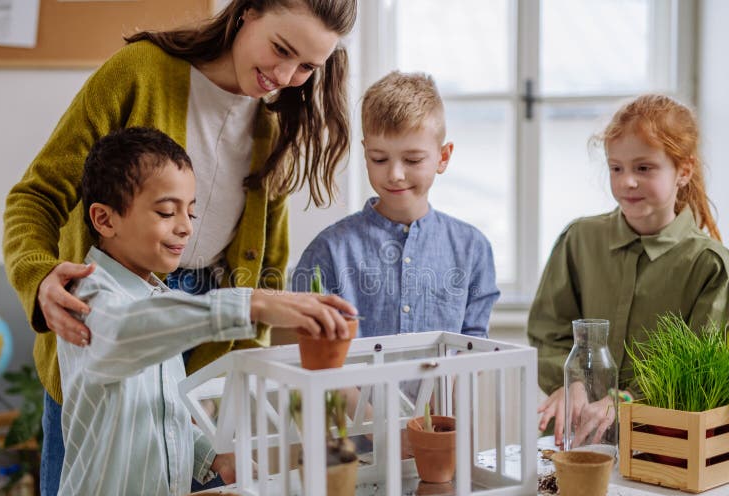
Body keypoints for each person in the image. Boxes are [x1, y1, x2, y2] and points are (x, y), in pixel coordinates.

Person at [2, 0, 357, 496]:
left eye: (307, 67)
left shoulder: (278, 115)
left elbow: (268, 259)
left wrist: (241, 374)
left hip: (215, 319)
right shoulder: (141, 73)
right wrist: (38, 277)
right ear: (247, 12)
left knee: (176, 493)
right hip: (117, 304)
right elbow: (36, 195)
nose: (284, 77)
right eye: (281, 49)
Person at [50, 127, 355, 496]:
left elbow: (155, 412)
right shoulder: (85, 298)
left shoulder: (155, 300)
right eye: (166, 212)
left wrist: (212, 456)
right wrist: (255, 303)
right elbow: (125, 330)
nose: (186, 227)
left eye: (190, 211)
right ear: (105, 220)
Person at [531, 94, 729, 447]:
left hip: (662, 447)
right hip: (578, 442)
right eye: (616, 168)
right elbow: (549, 331)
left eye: (644, 168)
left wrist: (623, 402)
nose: (626, 182)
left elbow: (696, 372)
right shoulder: (579, 240)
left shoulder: (709, 265)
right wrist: (570, 384)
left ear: (683, 170)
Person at [291, 71, 500, 400]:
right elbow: (316, 358)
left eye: (413, 159)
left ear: (443, 157)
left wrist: (429, 422)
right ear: (365, 153)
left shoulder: (473, 249)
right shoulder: (328, 251)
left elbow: (473, 347)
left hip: (439, 438)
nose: (395, 174)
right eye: (379, 158)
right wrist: (376, 425)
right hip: (350, 445)